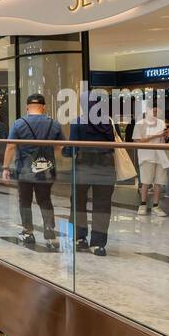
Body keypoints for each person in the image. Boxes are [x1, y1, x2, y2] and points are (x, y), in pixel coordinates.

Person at [2, 93, 62, 247]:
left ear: (27, 107)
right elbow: (60, 146)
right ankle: (49, 231)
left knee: (25, 200)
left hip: (25, 170)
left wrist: (5, 168)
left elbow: (10, 146)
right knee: (45, 199)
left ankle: (28, 232)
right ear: (44, 107)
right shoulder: (53, 124)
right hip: (46, 169)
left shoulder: (18, 124)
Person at [67, 92, 117, 256]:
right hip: (106, 168)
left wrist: (64, 151)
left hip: (83, 167)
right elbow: (113, 144)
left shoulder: (77, 122)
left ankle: (79, 238)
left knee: (78, 203)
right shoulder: (107, 122)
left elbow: (71, 148)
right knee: (102, 206)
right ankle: (98, 244)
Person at [132, 101, 169, 217]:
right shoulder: (140, 124)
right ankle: (143, 204)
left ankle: (156, 205)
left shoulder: (161, 123)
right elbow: (138, 141)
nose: (155, 113)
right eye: (153, 110)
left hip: (161, 156)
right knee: (145, 182)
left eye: (157, 110)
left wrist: (166, 135)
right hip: (146, 156)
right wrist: (156, 135)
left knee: (159, 182)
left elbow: (163, 140)